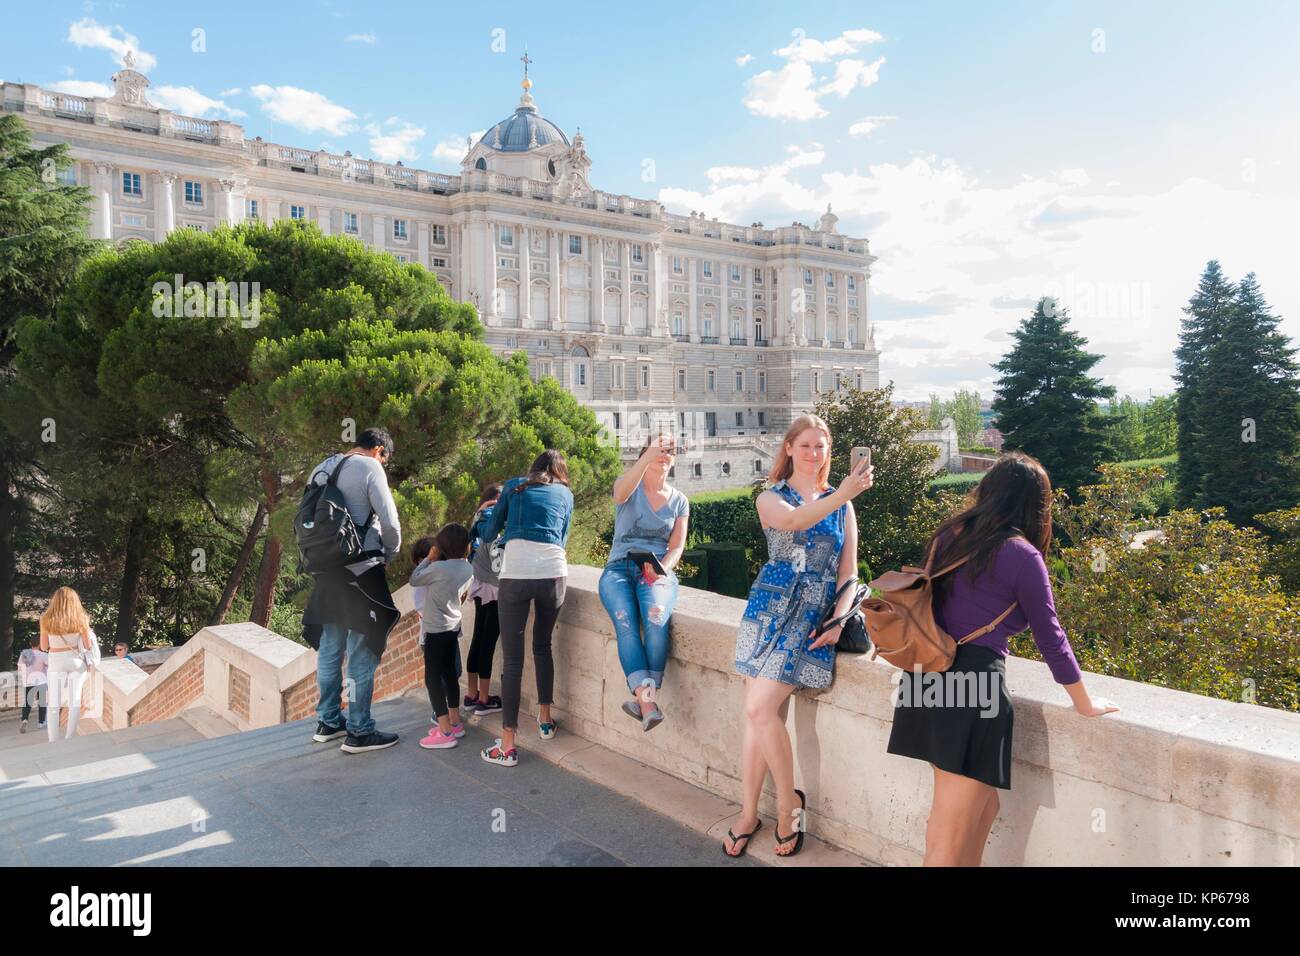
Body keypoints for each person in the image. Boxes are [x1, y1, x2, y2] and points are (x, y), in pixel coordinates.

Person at [886, 451, 1118, 866]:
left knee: (982, 810)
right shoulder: (1022, 556)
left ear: (988, 490)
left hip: (927, 678)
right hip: (973, 689)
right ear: (1036, 504)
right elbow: (1051, 637)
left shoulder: (951, 533)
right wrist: (1084, 702)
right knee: (946, 835)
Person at [723, 415, 873, 858]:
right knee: (759, 716)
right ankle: (751, 811)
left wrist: (840, 619)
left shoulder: (843, 506)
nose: (814, 454)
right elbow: (791, 524)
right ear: (788, 448)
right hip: (766, 610)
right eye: (805, 445)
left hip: (810, 616)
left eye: (821, 447)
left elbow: (848, 572)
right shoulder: (771, 498)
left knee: (758, 708)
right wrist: (843, 494)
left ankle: (789, 805)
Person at [302, 427, 403, 754]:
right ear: (379, 451)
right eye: (385, 459)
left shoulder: (323, 466)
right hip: (360, 573)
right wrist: (390, 553)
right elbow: (390, 523)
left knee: (331, 647)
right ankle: (359, 731)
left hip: (327, 572)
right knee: (362, 650)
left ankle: (328, 721)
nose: (383, 464)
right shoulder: (370, 467)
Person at [478, 450, 574, 767]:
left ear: (533, 469)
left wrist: (489, 526)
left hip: (516, 576)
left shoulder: (515, 486)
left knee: (514, 659)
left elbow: (490, 534)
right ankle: (545, 721)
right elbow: (562, 538)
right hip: (552, 575)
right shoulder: (565, 493)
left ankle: (507, 746)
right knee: (542, 645)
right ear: (559, 472)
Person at [597, 433, 689, 731]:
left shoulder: (679, 501)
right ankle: (648, 701)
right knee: (625, 622)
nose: (665, 454)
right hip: (619, 568)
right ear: (645, 454)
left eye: (670, 451)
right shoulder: (630, 488)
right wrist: (646, 456)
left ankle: (643, 700)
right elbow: (618, 494)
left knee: (656, 618)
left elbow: (677, 546)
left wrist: (661, 567)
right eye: (659, 449)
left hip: (654, 568)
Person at [410, 523, 475, 750]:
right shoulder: (468, 568)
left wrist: (429, 558)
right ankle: (456, 722)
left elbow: (415, 579)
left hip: (435, 630)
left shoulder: (437, 569)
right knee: (450, 675)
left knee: (432, 679)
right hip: (453, 627)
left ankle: (445, 730)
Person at [40, 587, 96, 742]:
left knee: (54, 703)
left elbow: (43, 647)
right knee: (75, 700)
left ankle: (53, 740)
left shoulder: (45, 618)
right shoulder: (81, 618)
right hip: (76, 661)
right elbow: (87, 645)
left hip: (56, 660)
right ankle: (70, 737)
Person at [17, 635, 48, 733]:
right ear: (40, 644)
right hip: (41, 681)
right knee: (42, 702)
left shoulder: (24, 654)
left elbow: (20, 668)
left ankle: (25, 719)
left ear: (30, 643)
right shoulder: (44, 655)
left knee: (27, 702)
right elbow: (50, 667)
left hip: (29, 681)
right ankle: (41, 722)